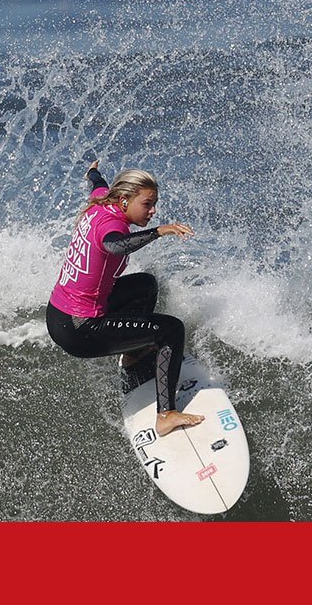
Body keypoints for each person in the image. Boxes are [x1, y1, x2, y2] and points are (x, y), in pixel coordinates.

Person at [46, 160, 205, 436]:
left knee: (145, 284)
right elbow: (115, 245)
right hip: (80, 329)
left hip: (59, 313)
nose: (153, 211)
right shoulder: (111, 224)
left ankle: (133, 354)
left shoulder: (102, 201)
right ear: (124, 200)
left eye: (154, 203)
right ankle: (166, 415)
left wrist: (92, 172)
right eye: (147, 204)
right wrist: (159, 231)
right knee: (172, 330)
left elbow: (97, 184)